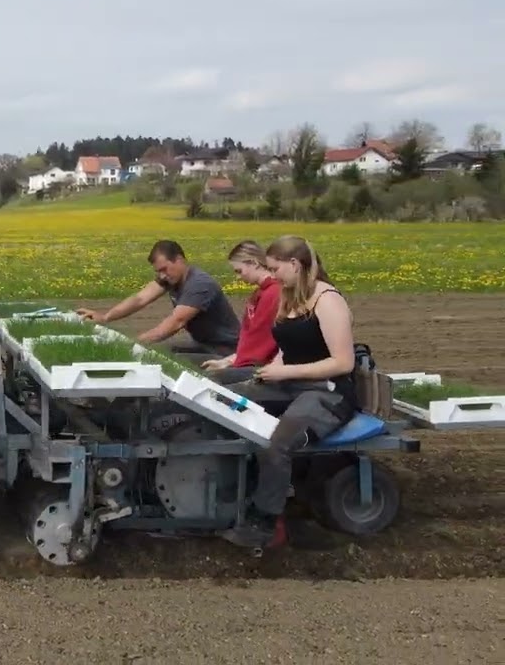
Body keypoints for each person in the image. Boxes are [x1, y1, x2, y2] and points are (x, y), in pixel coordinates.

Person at [219, 235, 359, 549]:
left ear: (294, 264)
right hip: (291, 383)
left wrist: (285, 371)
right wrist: (270, 371)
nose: (272, 274)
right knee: (222, 401)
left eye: (275, 267)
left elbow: (342, 362)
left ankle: (265, 523)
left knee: (276, 445)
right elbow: (288, 347)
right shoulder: (291, 297)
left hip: (328, 393)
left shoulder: (327, 300)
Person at [76, 239, 241, 362]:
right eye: (158, 271)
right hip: (203, 343)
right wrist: (105, 317)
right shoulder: (171, 279)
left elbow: (175, 322)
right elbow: (140, 299)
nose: (162, 275)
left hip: (225, 350)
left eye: (164, 269)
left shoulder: (199, 284)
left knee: (159, 360)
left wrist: (130, 344)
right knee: (157, 353)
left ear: (179, 260)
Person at [200, 240, 280, 384]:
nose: (238, 277)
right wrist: (228, 361)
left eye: (239, 271)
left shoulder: (272, 293)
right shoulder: (261, 292)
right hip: (250, 361)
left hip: (260, 367)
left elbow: (261, 339)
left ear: (254, 263)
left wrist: (235, 364)